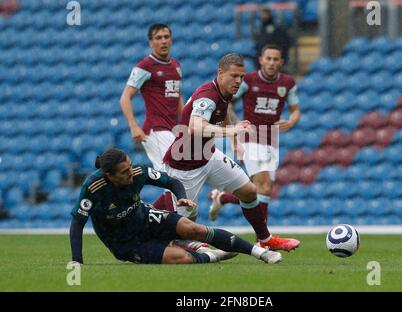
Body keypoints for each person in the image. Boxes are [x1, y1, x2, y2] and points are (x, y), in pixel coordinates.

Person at [162, 53, 300, 252]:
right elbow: (195, 126)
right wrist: (231, 131)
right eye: (234, 76)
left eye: (242, 77)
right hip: (185, 165)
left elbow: (223, 113)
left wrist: (234, 141)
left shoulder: (223, 93)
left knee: (250, 191)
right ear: (220, 73)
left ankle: (265, 239)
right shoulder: (207, 95)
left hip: (208, 155)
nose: (238, 81)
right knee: (185, 229)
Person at [69, 148, 282, 265]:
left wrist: (181, 197)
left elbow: (170, 181)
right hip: (126, 244)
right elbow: (77, 224)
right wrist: (77, 261)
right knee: (181, 258)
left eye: (130, 166)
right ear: (109, 175)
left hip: (146, 219)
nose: (130, 173)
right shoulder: (93, 188)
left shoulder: (137, 172)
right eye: (124, 171)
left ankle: (260, 253)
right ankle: (212, 255)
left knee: (194, 229)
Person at [208, 45, 301, 228]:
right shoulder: (248, 80)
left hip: (271, 139)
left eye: (276, 59)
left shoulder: (287, 83)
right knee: (265, 186)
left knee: (259, 190)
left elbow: (296, 110)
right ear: (261, 60)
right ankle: (263, 238)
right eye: (268, 59)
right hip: (250, 137)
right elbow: (226, 103)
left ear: (281, 62)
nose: (272, 63)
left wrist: (291, 121)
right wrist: (236, 126)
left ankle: (223, 197)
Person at [120, 23, 183, 212]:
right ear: (151, 42)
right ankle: (172, 228)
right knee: (175, 179)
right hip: (155, 130)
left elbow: (178, 97)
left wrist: (186, 124)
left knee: (173, 181)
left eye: (166, 37)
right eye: (158, 37)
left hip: (171, 130)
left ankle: (148, 223)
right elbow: (125, 98)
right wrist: (133, 126)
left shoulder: (176, 66)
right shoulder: (144, 66)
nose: (163, 41)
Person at [253, 7, 292, 72]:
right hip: (263, 61)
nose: (263, 16)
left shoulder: (277, 28)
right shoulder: (260, 29)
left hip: (275, 60)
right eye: (262, 14)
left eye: (265, 14)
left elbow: (285, 43)